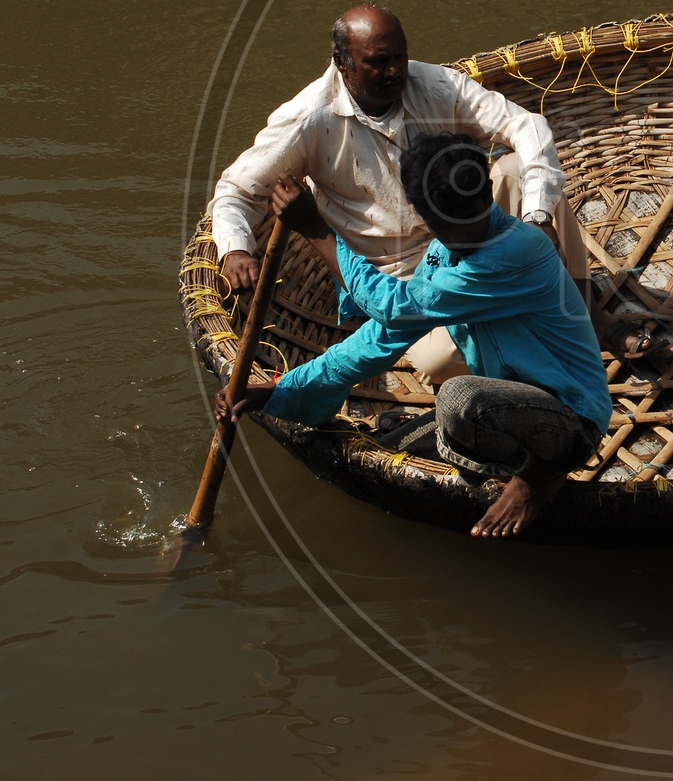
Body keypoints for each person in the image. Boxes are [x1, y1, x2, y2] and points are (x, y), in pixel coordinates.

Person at [215, 134, 612, 538]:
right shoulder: (446, 252)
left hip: (572, 419)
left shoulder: (517, 250)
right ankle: (508, 462)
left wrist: (317, 229)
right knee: (396, 441)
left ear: (488, 192)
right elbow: (383, 335)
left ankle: (540, 477)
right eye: (445, 224)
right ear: (423, 215)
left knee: (457, 397)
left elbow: (392, 306)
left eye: (470, 215)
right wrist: (283, 389)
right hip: (516, 407)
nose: (461, 234)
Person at [209, 4, 589, 383]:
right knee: (440, 360)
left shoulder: (437, 84)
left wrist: (538, 217)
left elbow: (527, 125)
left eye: (400, 57)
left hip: (468, 232)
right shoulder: (308, 119)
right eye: (378, 62)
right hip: (397, 275)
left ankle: (587, 311)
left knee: (516, 170)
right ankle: (532, 322)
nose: (394, 72)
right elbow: (236, 190)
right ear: (342, 63)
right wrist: (237, 250)